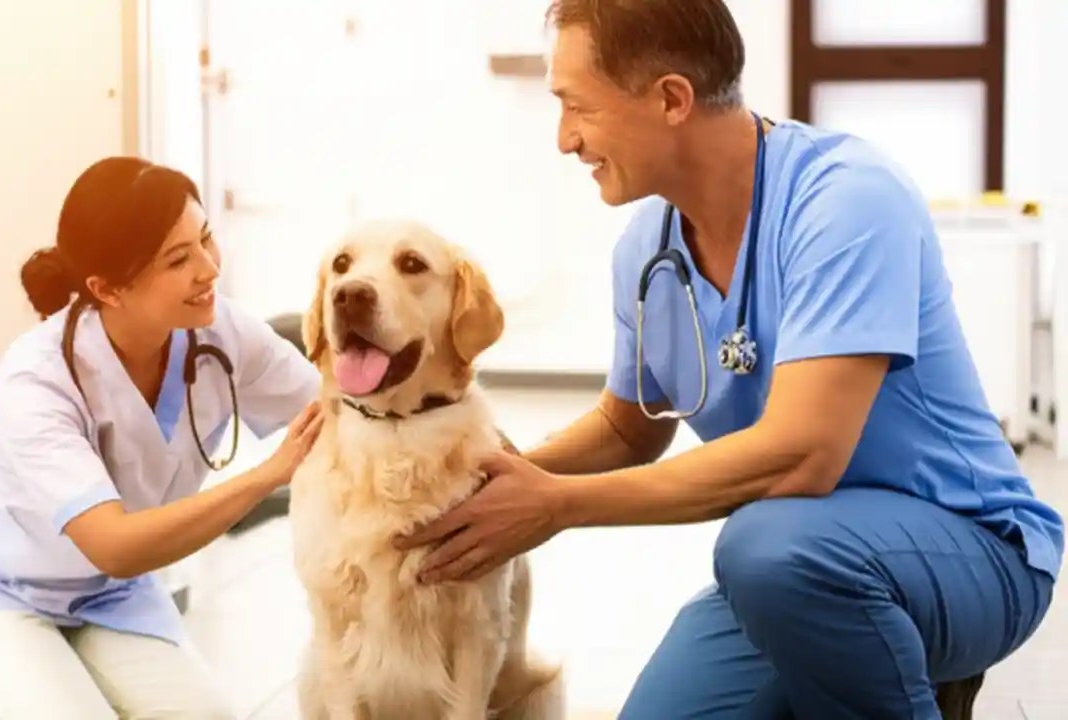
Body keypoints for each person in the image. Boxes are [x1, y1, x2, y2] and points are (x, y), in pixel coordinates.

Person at [395, 1, 1063, 717]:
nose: (565, 140)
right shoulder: (646, 248)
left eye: (577, 107)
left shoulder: (845, 200)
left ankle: (907, 675)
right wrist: (490, 475)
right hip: (801, 561)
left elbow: (802, 458)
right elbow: (628, 430)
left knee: (764, 546)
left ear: (672, 99)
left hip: (968, 550)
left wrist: (557, 506)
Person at [0, 156, 322, 719]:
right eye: (179, 259)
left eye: (205, 240)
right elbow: (115, 544)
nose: (208, 269)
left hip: (109, 595)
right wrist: (267, 477)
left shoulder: (220, 331)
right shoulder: (38, 375)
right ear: (107, 289)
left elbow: (336, 415)